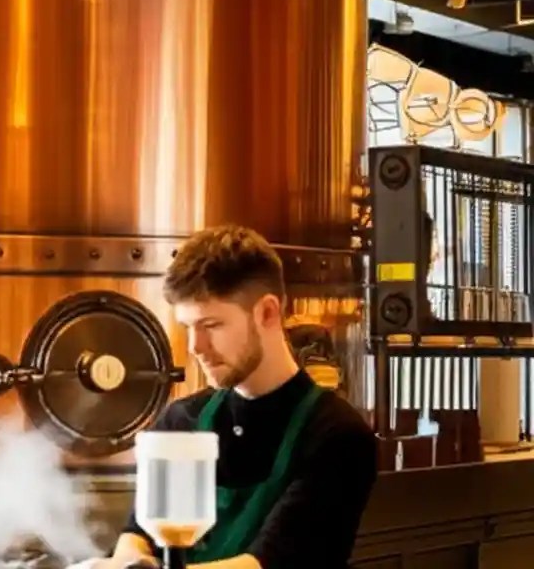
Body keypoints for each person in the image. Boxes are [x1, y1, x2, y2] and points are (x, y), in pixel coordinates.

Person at [75, 225, 377, 569]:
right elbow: (139, 530)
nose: (195, 347)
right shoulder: (181, 421)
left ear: (267, 312)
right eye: (188, 327)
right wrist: (125, 562)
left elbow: (270, 564)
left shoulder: (337, 437)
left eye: (212, 326)